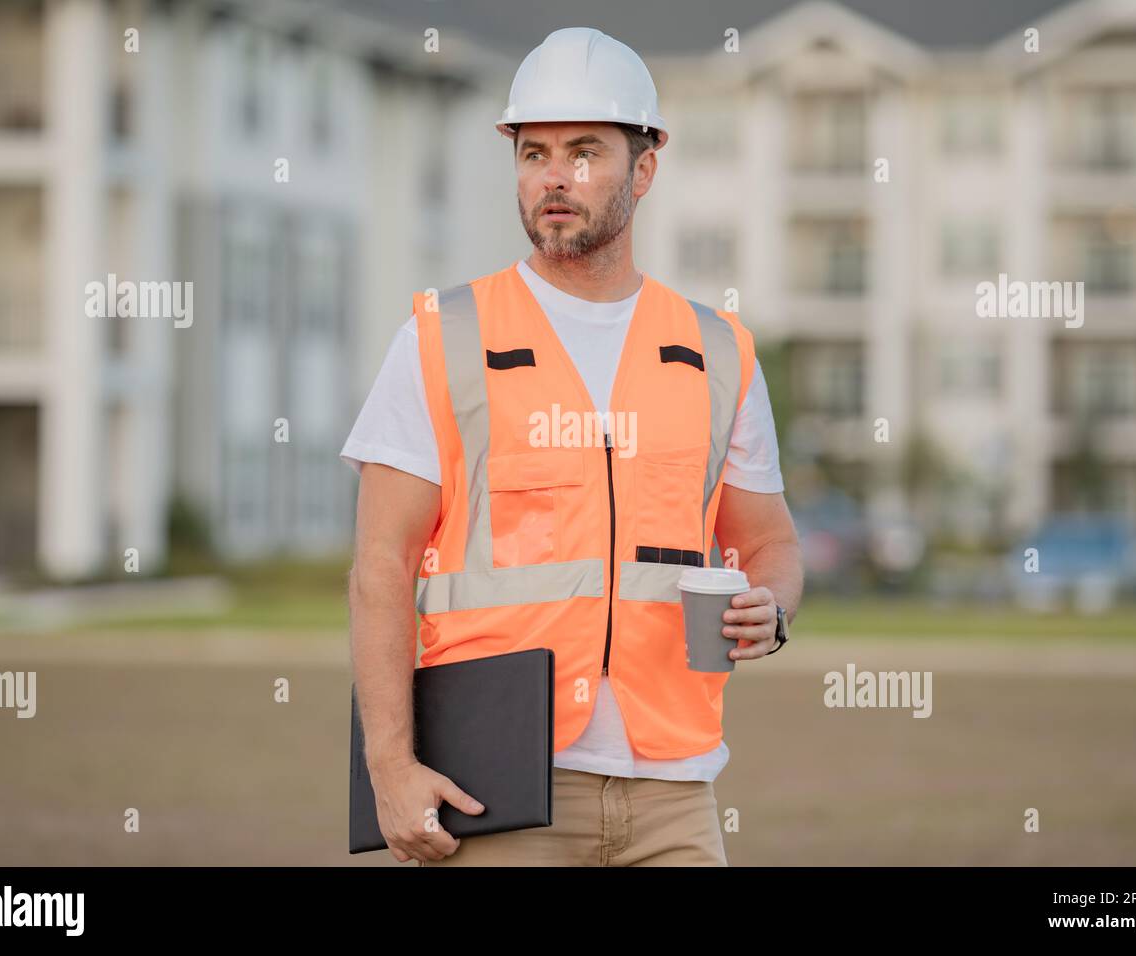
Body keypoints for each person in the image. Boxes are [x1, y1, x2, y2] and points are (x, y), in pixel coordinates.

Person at [342, 27, 803, 866]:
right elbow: (381, 562)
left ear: (645, 166)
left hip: (677, 788)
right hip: (499, 787)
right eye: (534, 153)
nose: (554, 175)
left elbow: (769, 543)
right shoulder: (441, 339)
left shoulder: (720, 352)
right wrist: (390, 766)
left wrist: (770, 612)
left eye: (585, 152)